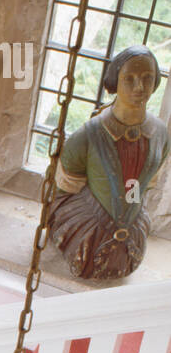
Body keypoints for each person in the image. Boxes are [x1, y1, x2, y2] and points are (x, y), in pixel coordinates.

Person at [47, 44, 169, 280]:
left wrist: (130, 210)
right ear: (115, 82)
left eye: (147, 78)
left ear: (155, 82)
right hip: (86, 231)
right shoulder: (87, 136)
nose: (139, 87)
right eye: (129, 79)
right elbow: (64, 191)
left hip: (132, 232)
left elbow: (140, 186)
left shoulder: (161, 135)